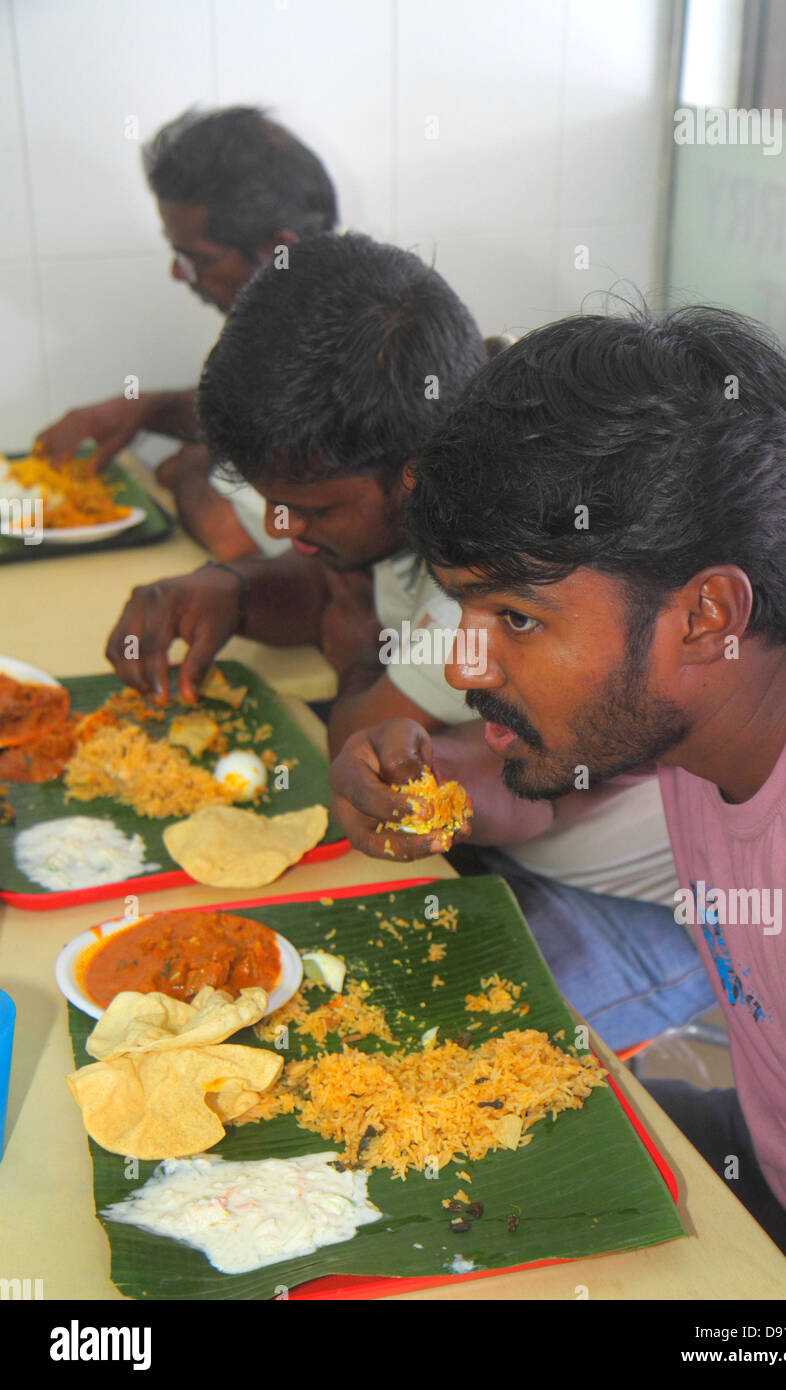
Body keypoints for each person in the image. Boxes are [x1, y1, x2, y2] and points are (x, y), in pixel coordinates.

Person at [327, 305, 786, 1296]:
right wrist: (427, 781)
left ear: (705, 613)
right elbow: (547, 795)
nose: (464, 662)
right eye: (466, 607)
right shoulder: (736, 688)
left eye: (516, 617)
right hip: (768, 1153)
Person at [104, 232, 713, 1050]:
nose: (284, 530)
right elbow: (347, 596)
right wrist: (237, 588)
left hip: (666, 911)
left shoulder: (524, 531)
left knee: (412, 1047)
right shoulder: (450, 427)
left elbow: (383, 730)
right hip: (517, 839)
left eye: (313, 511)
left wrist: (358, 659)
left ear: (415, 477)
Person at [35, 106, 338, 559]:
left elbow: (238, 539)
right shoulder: (291, 311)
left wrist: (192, 471)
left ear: (278, 250)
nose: (179, 273)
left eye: (197, 258)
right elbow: (250, 409)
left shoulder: (358, 346)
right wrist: (143, 409)